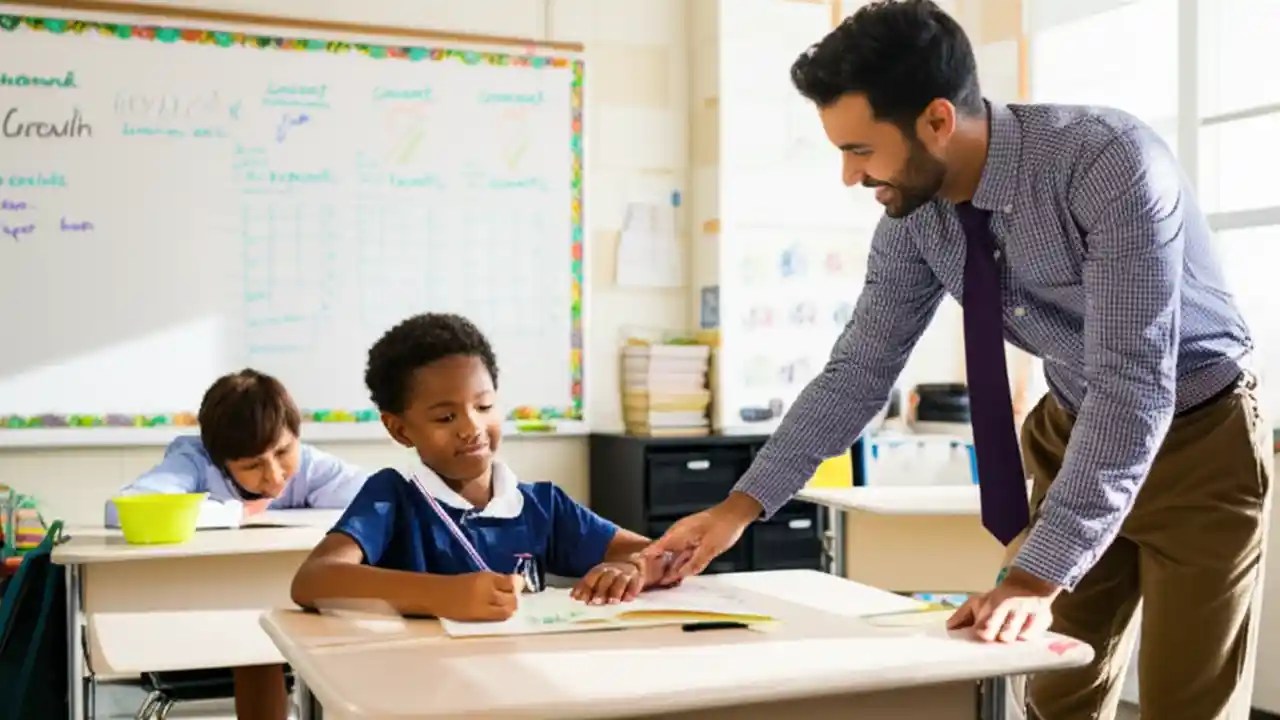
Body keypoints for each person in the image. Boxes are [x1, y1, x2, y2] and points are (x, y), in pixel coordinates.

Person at [643, 2, 1271, 719]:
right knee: (1053, 686)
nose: (851, 177)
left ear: (937, 120)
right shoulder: (917, 220)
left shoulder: (1107, 162)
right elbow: (858, 373)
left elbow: (1134, 383)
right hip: (1073, 426)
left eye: (859, 150)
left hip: (1199, 436)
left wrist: (1035, 578)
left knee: (1190, 701)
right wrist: (737, 508)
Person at [291, 312, 677, 623]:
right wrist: (442, 594)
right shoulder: (392, 497)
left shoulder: (541, 505)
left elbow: (659, 554)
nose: (471, 428)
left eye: (484, 407)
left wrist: (636, 568)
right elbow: (313, 580)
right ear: (400, 429)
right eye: (445, 418)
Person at [104, 368, 368, 720]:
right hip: (208, 606)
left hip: (294, 600)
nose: (274, 475)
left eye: (283, 452)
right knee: (255, 643)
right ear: (222, 462)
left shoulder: (308, 464)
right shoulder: (195, 461)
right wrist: (234, 513)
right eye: (253, 465)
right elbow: (123, 510)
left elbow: (379, 498)